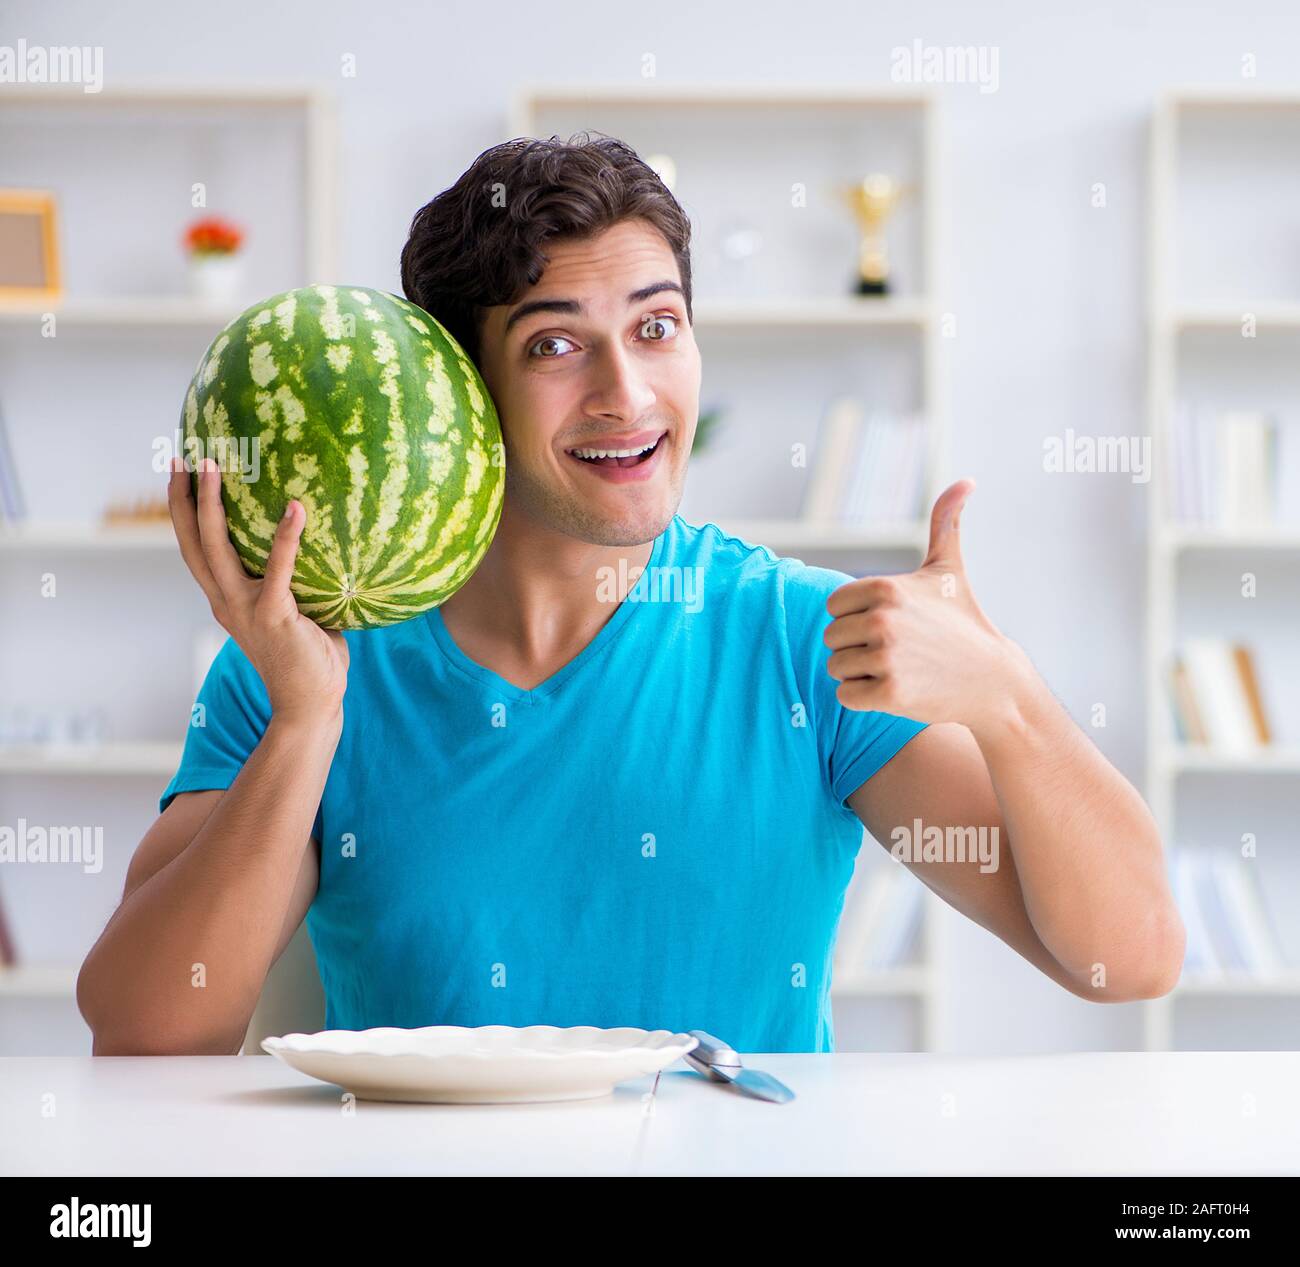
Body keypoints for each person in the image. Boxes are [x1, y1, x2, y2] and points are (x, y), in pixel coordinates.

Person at [77, 134, 1183, 1056]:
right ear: (463, 390)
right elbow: (146, 1033)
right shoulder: (309, 660)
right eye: (557, 344)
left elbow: (1124, 959)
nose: (628, 394)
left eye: (656, 328)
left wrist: (1007, 698)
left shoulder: (802, 641)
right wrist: (307, 721)